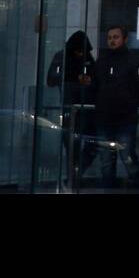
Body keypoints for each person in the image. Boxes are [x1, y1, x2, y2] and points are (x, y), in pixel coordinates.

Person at [92, 25, 139, 189]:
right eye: (110, 37)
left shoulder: (135, 62)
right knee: (106, 161)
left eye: (116, 37)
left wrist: (130, 104)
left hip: (125, 119)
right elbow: (95, 87)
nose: (112, 40)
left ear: (124, 39)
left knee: (128, 157)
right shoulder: (101, 62)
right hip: (105, 118)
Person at [45, 31, 99, 186]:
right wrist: (75, 78)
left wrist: (90, 81)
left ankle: (75, 173)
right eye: (78, 51)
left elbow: (94, 78)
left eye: (83, 51)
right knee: (71, 146)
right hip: (71, 106)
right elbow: (52, 79)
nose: (81, 54)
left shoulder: (87, 58)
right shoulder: (62, 57)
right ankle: (73, 176)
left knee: (92, 142)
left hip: (87, 107)